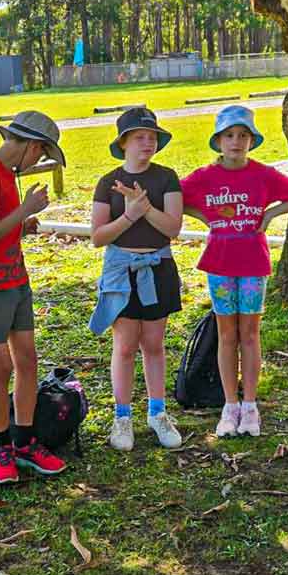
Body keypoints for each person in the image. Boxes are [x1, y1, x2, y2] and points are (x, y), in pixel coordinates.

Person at [0, 109, 70, 482]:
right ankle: (1, 447)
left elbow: (1, 230)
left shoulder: (8, 175)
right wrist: (24, 209)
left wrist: (22, 226)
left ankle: (25, 441)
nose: (38, 161)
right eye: (41, 154)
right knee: (2, 367)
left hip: (15, 281)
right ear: (32, 145)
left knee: (27, 360)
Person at [180, 105, 288, 437]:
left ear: (252, 140)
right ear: (218, 141)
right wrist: (200, 215)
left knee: (250, 334)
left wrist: (273, 214)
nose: (236, 142)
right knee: (227, 334)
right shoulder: (204, 177)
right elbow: (173, 195)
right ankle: (229, 404)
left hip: (253, 264)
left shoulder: (263, 175)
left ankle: (250, 405)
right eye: (229, 135)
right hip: (219, 263)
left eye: (243, 135)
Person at [90, 106, 186, 451]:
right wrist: (130, 215)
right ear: (124, 142)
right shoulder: (108, 182)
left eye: (152, 137)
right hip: (120, 271)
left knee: (154, 344)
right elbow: (98, 236)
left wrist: (145, 208)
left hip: (158, 267)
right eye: (140, 137)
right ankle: (122, 417)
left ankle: (157, 413)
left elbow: (173, 228)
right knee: (126, 345)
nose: (148, 143)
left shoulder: (167, 178)